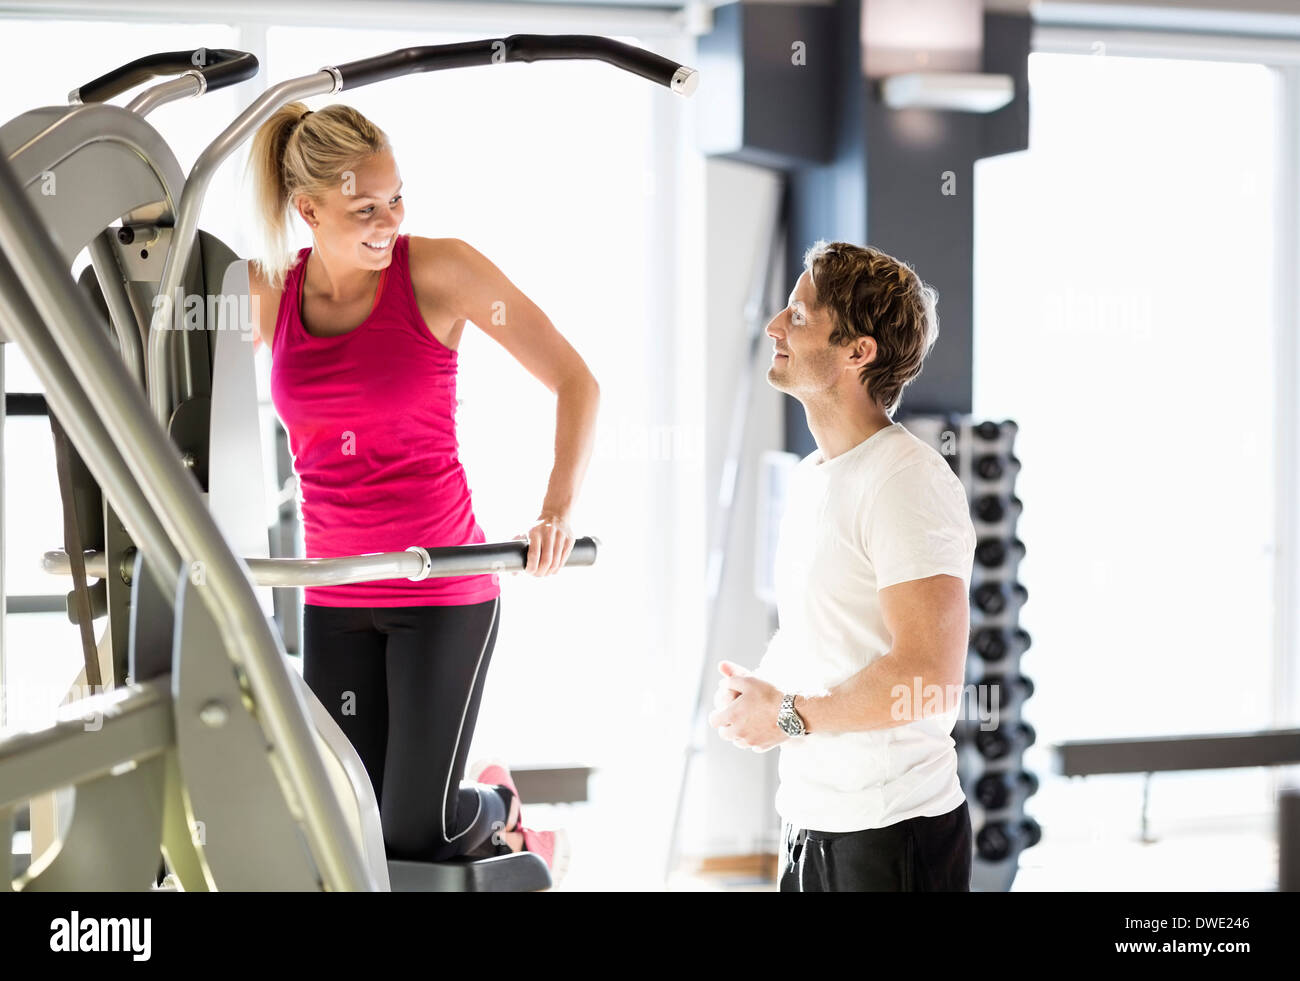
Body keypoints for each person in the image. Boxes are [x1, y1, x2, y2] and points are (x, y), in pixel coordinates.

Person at [244, 102, 599, 881]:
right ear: (307, 209)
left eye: (397, 197)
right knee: (354, 827)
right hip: (335, 594)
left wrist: (557, 510)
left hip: (441, 587)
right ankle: (493, 825)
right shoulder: (267, 290)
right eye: (364, 207)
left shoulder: (438, 270)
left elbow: (575, 380)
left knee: (417, 825)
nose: (389, 219)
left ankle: (504, 810)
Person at [708, 240, 977, 891]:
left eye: (798, 316)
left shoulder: (908, 480)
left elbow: (927, 677)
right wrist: (762, 693)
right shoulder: (811, 478)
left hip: (893, 832)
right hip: (808, 823)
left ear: (859, 352)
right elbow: (823, 631)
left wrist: (789, 713)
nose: (775, 325)